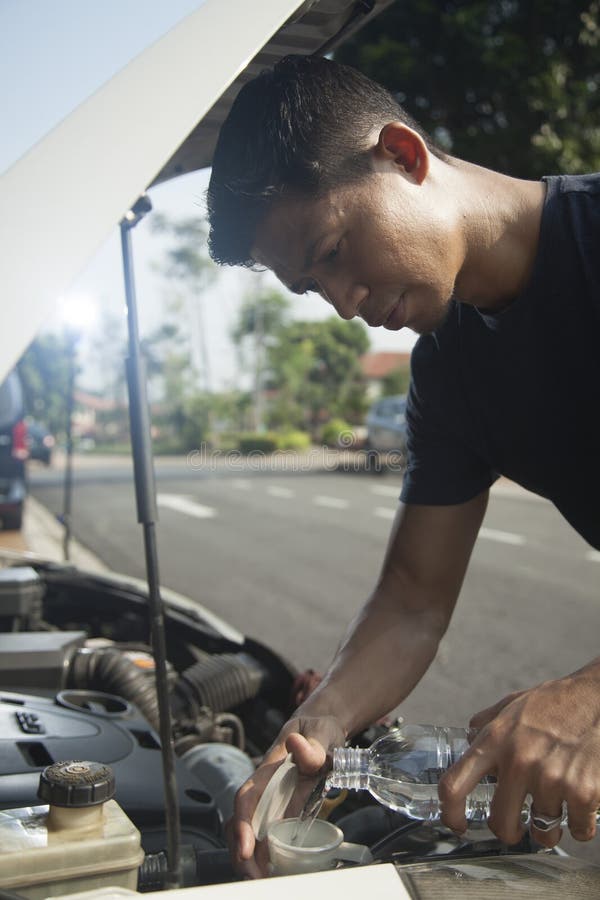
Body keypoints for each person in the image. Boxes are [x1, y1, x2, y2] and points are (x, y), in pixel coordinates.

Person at [206, 54, 600, 878]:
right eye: (315, 288)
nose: (347, 303)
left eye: (336, 249)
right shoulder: (449, 375)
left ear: (403, 155)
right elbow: (413, 602)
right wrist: (309, 737)